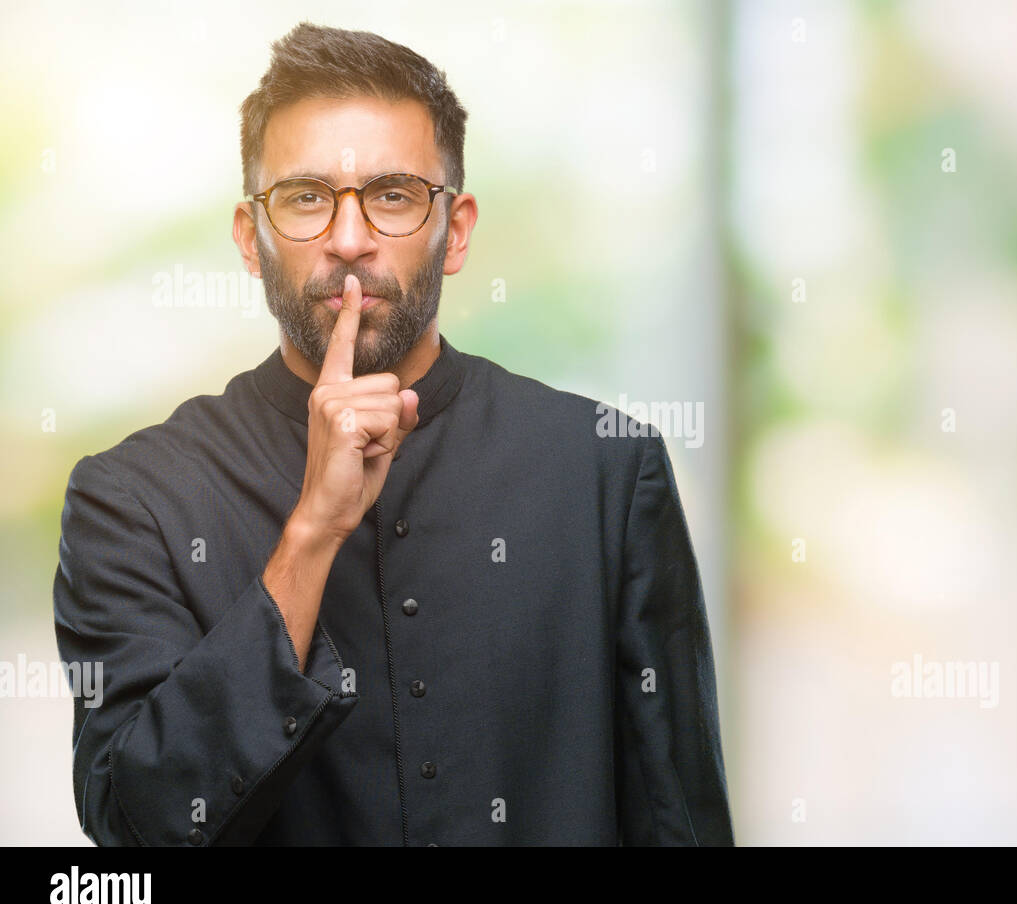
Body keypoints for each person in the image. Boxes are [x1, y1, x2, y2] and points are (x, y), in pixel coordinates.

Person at [52, 21, 733, 846]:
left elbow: (679, 819)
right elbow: (139, 828)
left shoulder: (605, 472)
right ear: (248, 237)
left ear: (459, 230)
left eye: (393, 195)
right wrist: (310, 536)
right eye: (305, 197)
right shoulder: (133, 499)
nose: (348, 239)